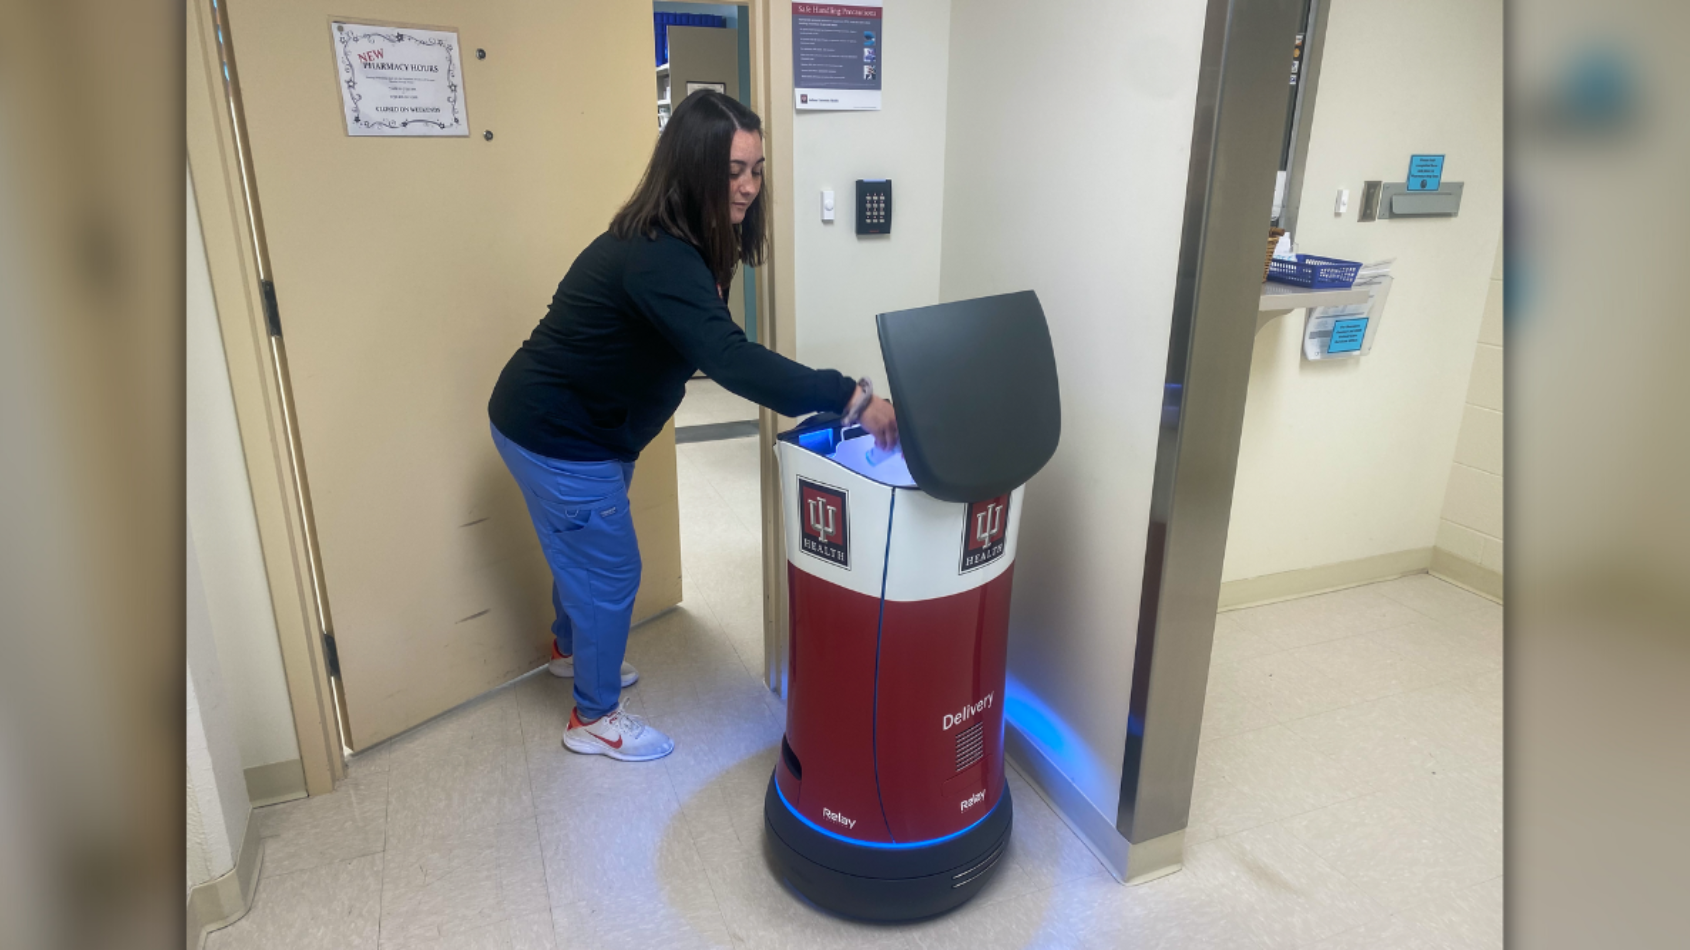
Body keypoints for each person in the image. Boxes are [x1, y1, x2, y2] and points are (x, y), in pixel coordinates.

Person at [487, 91, 898, 762]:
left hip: (578, 426)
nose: (747, 186)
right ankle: (593, 719)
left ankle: (571, 649)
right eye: (733, 169)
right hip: (558, 433)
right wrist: (849, 397)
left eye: (757, 169)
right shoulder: (660, 253)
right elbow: (730, 360)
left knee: (583, 553)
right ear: (691, 166)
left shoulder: (692, 238)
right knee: (610, 571)